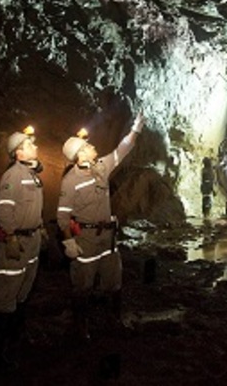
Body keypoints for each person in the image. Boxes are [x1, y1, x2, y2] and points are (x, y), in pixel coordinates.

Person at [57, 112, 144, 341]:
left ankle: (114, 320)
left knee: (114, 281)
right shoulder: (70, 181)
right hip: (85, 238)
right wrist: (68, 242)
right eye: (87, 147)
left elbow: (122, 150)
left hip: (108, 238)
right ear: (79, 156)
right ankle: (80, 326)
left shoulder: (101, 168)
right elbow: (62, 216)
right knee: (83, 285)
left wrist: (136, 128)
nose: (92, 146)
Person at [0, 125, 46, 368]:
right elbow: (4, 209)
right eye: (30, 145)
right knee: (5, 294)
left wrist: (39, 227)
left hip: (31, 241)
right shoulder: (12, 176)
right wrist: (10, 236)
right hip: (17, 242)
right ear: (19, 154)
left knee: (23, 291)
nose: (36, 146)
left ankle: (14, 341)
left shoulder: (33, 175)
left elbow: (31, 208)